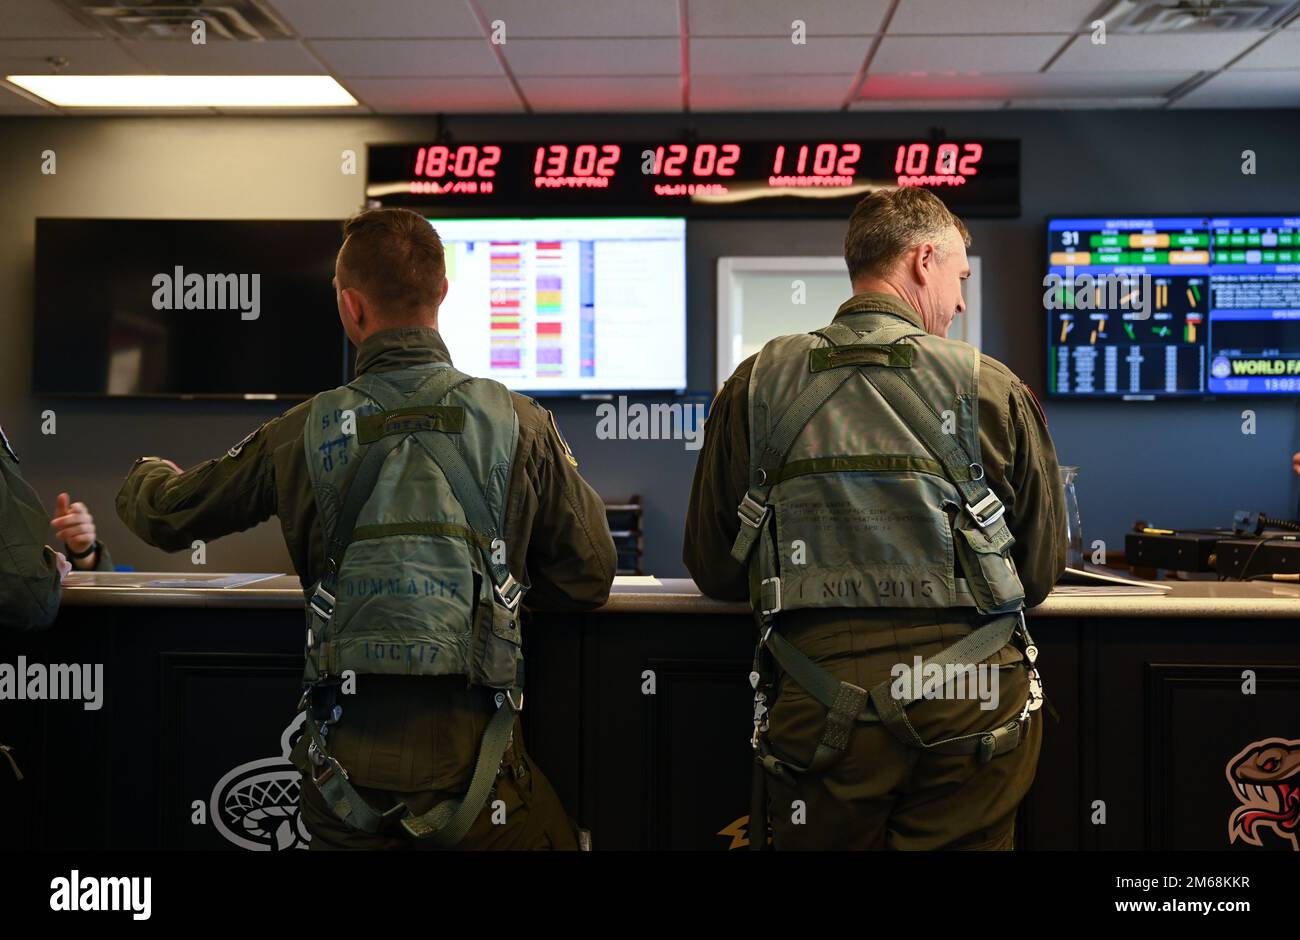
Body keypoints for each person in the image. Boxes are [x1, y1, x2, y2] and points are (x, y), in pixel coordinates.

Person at [116, 208, 617, 849]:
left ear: (352, 307)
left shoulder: (301, 430)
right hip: (485, 785)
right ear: (441, 294)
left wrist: (147, 473)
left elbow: (167, 515)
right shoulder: (519, 422)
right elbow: (590, 576)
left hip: (340, 789)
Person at [684, 188, 1066, 850]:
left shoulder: (757, 383)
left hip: (819, 708)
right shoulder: (993, 386)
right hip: (973, 708)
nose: (960, 301)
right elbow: (1037, 572)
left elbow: (715, 567)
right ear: (923, 261)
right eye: (959, 277)